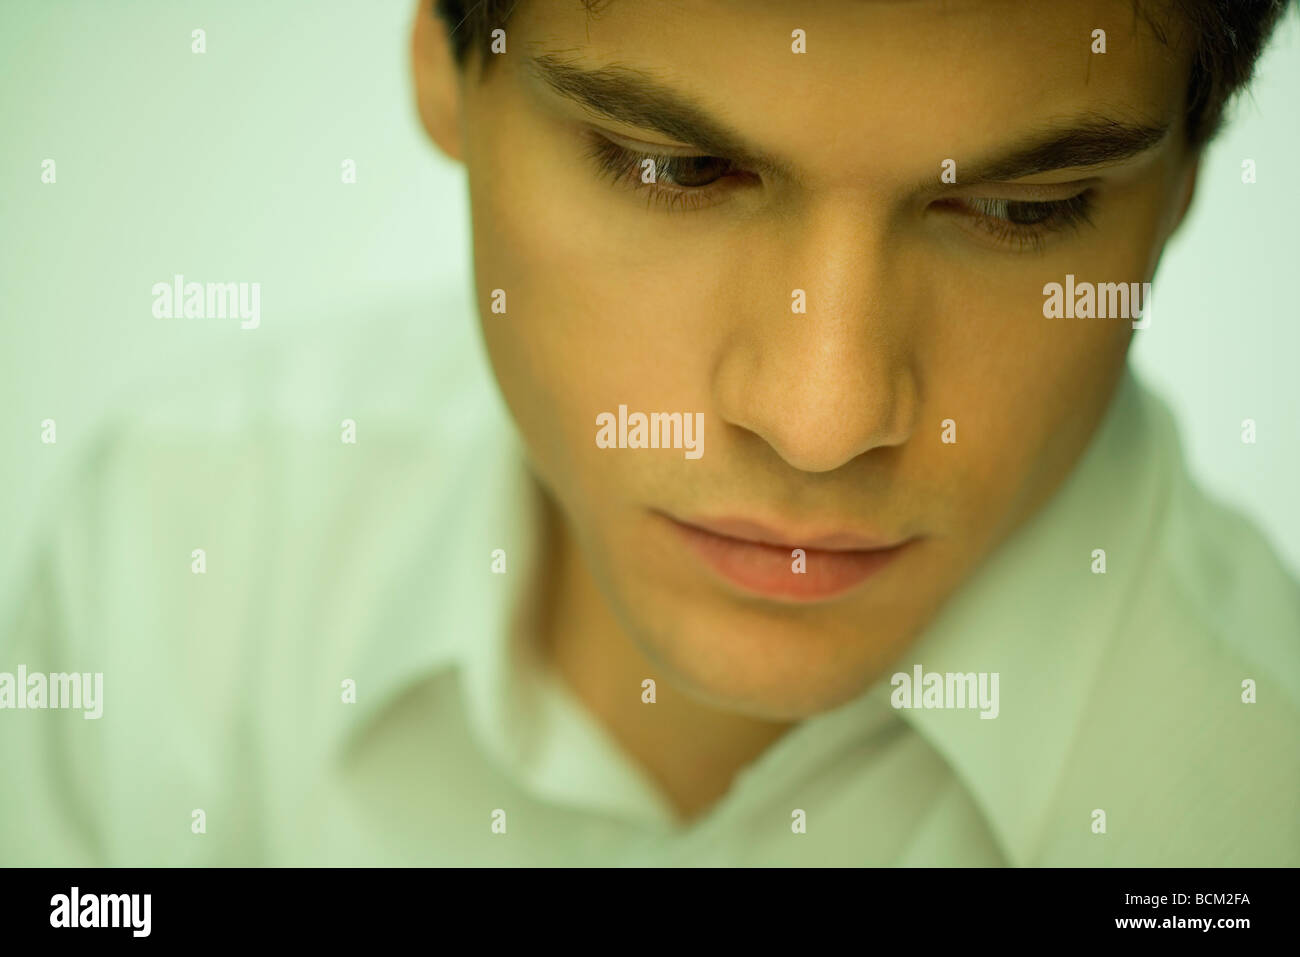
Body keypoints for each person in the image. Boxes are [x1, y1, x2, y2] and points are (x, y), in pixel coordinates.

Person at [2, 0, 1296, 866]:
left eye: (1028, 208)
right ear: (442, 70)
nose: (818, 420)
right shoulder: (168, 558)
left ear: (1187, 179)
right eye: (671, 169)